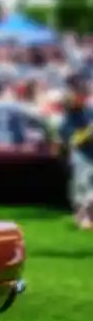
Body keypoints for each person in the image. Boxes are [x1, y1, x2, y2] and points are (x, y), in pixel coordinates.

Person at [58, 77, 93, 230]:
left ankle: (88, 218)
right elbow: (74, 140)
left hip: (90, 155)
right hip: (81, 157)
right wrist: (89, 131)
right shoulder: (68, 119)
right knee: (81, 189)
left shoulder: (88, 112)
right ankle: (82, 219)